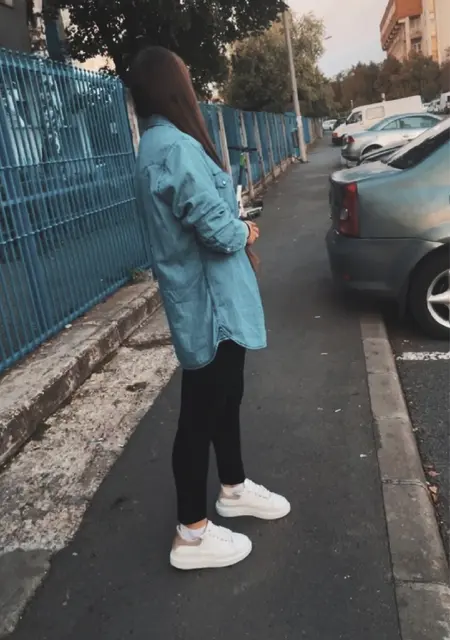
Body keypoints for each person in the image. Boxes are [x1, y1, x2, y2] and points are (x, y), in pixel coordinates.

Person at [128, 46, 290, 571]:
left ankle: (234, 488)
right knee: (200, 413)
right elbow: (216, 229)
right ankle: (192, 533)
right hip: (211, 303)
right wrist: (245, 230)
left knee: (224, 398)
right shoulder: (175, 147)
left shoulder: (156, 144)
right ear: (173, 88)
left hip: (206, 299)